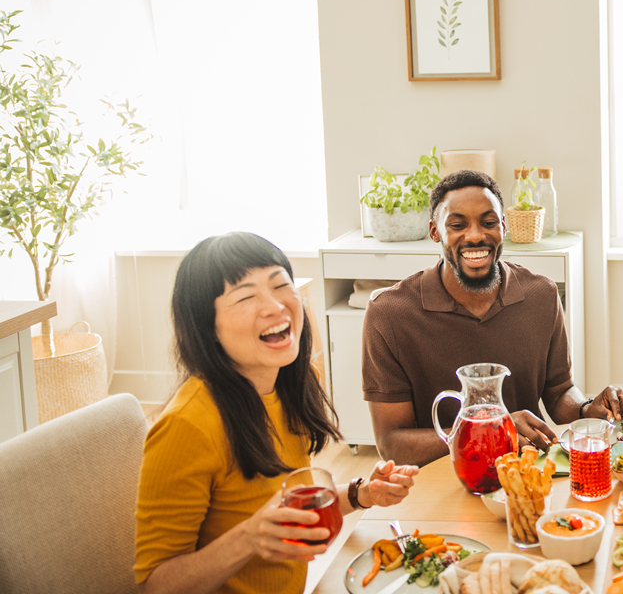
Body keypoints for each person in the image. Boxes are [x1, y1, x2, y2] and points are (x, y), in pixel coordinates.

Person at [135, 232, 418, 594]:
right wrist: (249, 539)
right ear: (208, 327)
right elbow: (155, 585)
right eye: (246, 296)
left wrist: (360, 493)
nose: (275, 307)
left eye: (280, 285)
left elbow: (285, 506)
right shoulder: (187, 425)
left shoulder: (286, 385)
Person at [362, 169, 623, 467]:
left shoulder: (541, 295)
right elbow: (392, 444)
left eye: (489, 222)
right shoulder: (389, 314)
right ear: (435, 232)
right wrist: (491, 433)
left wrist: (586, 409)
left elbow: (558, 393)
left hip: (530, 475)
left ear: (503, 226)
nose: (476, 235)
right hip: (440, 481)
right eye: (457, 225)